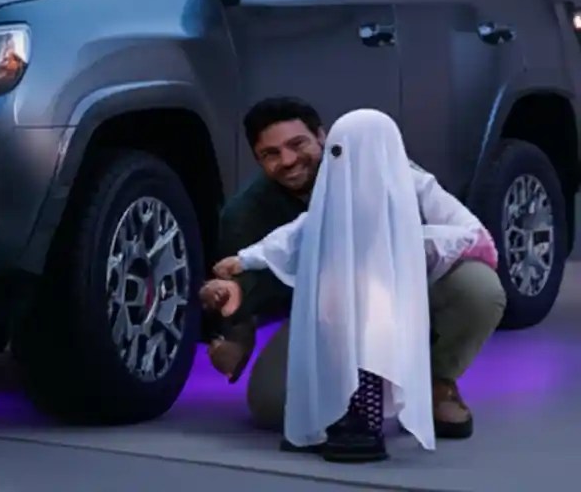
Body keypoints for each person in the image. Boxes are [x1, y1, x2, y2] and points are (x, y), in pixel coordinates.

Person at [201, 98, 505, 461]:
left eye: (297, 145)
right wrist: (235, 313)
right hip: (326, 311)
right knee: (272, 404)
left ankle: (435, 380)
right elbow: (285, 243)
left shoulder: (396, 175)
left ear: (322, 137)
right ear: (257, 159)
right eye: (270, 153)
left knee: (478, 290)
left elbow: (468, 230)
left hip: (409, 291)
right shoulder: (250, 211)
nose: (287, 161)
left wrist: (407, 243)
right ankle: (349, 412)